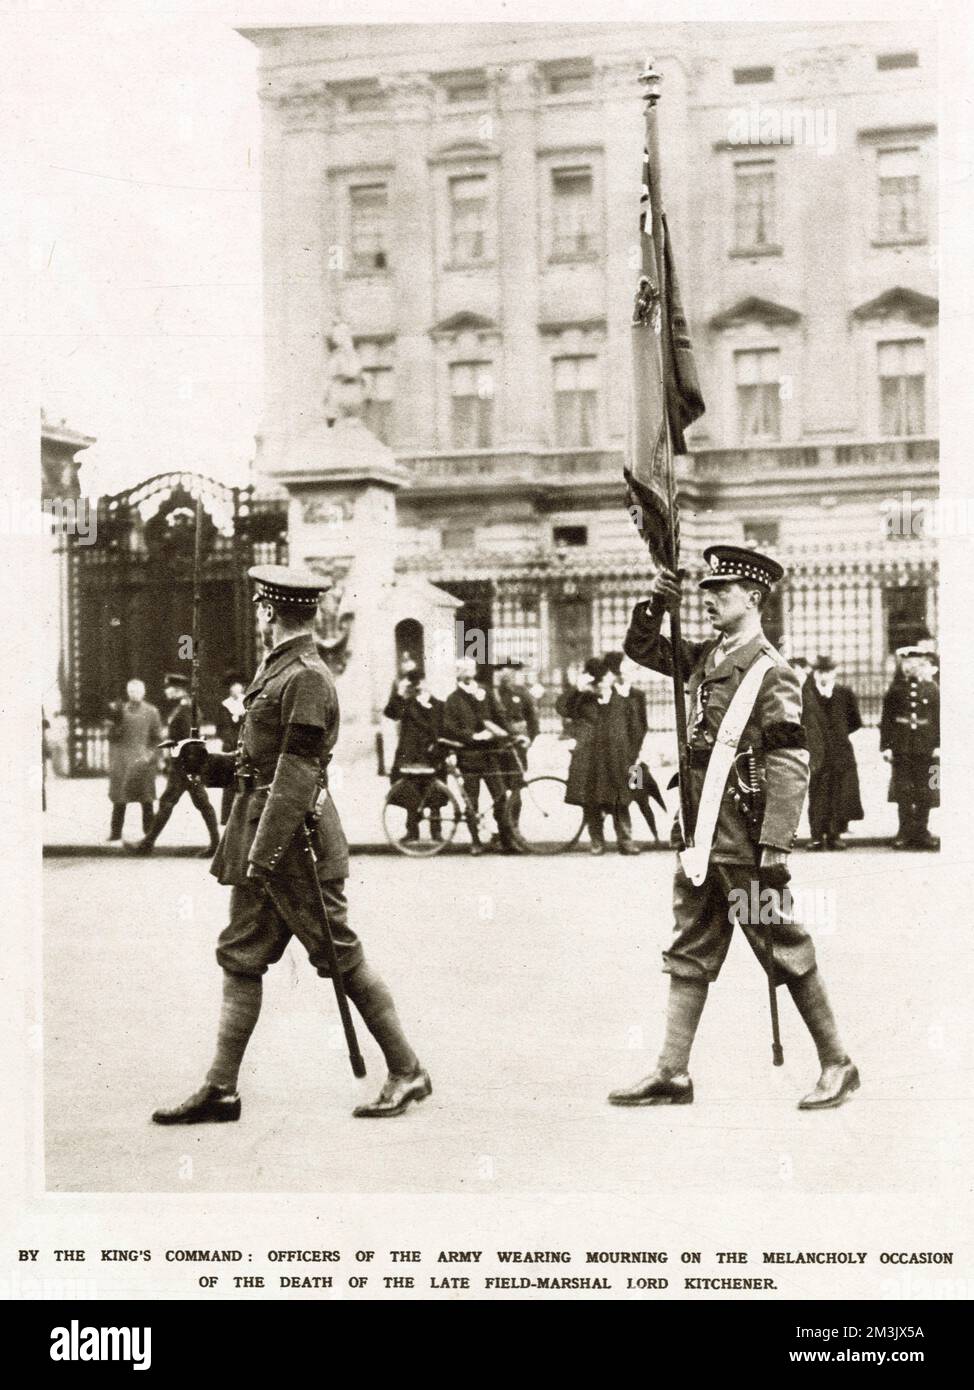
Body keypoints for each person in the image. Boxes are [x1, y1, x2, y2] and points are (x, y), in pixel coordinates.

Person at [151, 564, 430, 1125]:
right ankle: (221, 1088)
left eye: (259, 608)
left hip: (293, 844)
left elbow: (298, 773)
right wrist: (209, 765)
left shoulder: (305, 676)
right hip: (265, 839)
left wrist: (264, 854)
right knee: (241, 956)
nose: (257, 616)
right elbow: (261, 765)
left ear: (269, 612)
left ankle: (407, 1070)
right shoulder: (278, 670)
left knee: (340, 957)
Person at [609, 545, 859, 1111]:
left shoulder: (772, 671)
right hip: (699, 835)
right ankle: (672, 1072)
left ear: (753, 597)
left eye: (720, 592)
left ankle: (838, 1063)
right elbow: (643, 647)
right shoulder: (706, 655)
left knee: (783, 946)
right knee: (691, 947)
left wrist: (775, 843)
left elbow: (790, 761)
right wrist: (655, 602)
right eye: (704, 592)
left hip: (743, 839)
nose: (708, 601)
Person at [132, 673, 220, 855]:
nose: (166, 691)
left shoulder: (186, 711)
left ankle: (146, 844)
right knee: (199, 804)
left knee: (175, 802)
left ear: (178, 690)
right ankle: (216, 845)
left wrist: (183, 764)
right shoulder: (185, 708)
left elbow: (188, 741)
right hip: (186, 766)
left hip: (185, 767)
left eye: (168, 688)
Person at [559, 658, 640, 855]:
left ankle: (626, 840)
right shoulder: (583, 700)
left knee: (621, 800)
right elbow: (562, 708)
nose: (607, 680)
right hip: (591, 759)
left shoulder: (622, 700)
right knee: (592, 801)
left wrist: (633, 755)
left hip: (618, 758)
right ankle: (597, 841)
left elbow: (635, 728)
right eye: (603, 678)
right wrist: (577, 689)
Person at [442, 657, 519, 855]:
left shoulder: (485, 692)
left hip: (490, 755)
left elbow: (499, 714)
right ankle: (475, 841)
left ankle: (506, 839)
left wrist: (511, 734)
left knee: (501, 797)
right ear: (458, 673)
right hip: (468, 757)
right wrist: (473, 736)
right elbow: (450, 727)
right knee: (471, 801)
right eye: (463, 669)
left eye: (470, 668)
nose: (468, 671)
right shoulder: (453, 699)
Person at [879, 647, 940, 850]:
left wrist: (939, 745)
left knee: (926, 790)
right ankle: (904, 832)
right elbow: (886, 720)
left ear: (922, 664)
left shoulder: (933, 689)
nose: (912, 667)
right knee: (903, 790)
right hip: (902, 746)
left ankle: (922, 831)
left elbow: (940, 719)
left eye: (916, 663)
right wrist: (886, 747)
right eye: (908, 663)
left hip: (927, 747)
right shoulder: (896, 690)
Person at [603, 650, 666, 842]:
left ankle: (655, 837)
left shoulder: (637, 695)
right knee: (617, 799)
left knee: (640, 796)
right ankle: (625, 836)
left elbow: (643, 725)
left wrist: (637, 753)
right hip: (614, 759)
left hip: (634, 761)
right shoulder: (608, 694)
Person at [804, 656, 864, 851]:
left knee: (839, 794)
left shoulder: (843, 693)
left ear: (834, 673)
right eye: (820, 672)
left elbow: (855, 721)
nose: (824, 676)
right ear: (814, 673)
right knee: (817, 794)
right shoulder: (807, 694)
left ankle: (834, 835)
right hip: (816, 753)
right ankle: (816, 836)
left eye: (828, 672)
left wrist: (839, 734)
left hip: (840, 752)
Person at [383, 671, 445, 844]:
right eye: (415, 683)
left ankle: (436, 832)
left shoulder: (439, 706)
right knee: (411, 792)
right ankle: (412, 832)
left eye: (421, 682)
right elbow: (390, 713)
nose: (419, 686)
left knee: (435, 793)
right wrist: (400, 693)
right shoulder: (407, 704)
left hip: (432, 755)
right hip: (410, 755)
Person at [106, 679, 162, 841]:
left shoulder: (152, 712)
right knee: (120, 798)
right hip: (122, 761)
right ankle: (116, 833)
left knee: (146, 798)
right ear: (127, 692)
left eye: (137, 691)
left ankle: (149, 833)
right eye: (131, 691)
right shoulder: (120, 710)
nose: (134, 694)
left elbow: (157, 738)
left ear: (143, 692)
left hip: (142, 760)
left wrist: (151, 755)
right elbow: (111, 737)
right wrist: (115, 722)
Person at [494, 661, 539, 834]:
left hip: (517, 747)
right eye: (502, 670)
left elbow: (533, 721)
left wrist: (528, 741)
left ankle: (514, 828)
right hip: (497, 745)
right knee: (498, 791)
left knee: (516, 789)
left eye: (511, 671)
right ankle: (502, 831)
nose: (506, 674)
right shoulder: (493, 694)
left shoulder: (522, 694)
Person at [215, 671, 247, 826]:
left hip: (245, 747)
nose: (235, 689)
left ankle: (242, 818)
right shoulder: (224, 706)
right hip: (229, 747)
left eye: (238, 686)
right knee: (228, 784)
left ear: (242, 687)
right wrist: (230, 740)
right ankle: (227, 818)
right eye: (232, 686)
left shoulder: (247, 704)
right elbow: (220, 728)